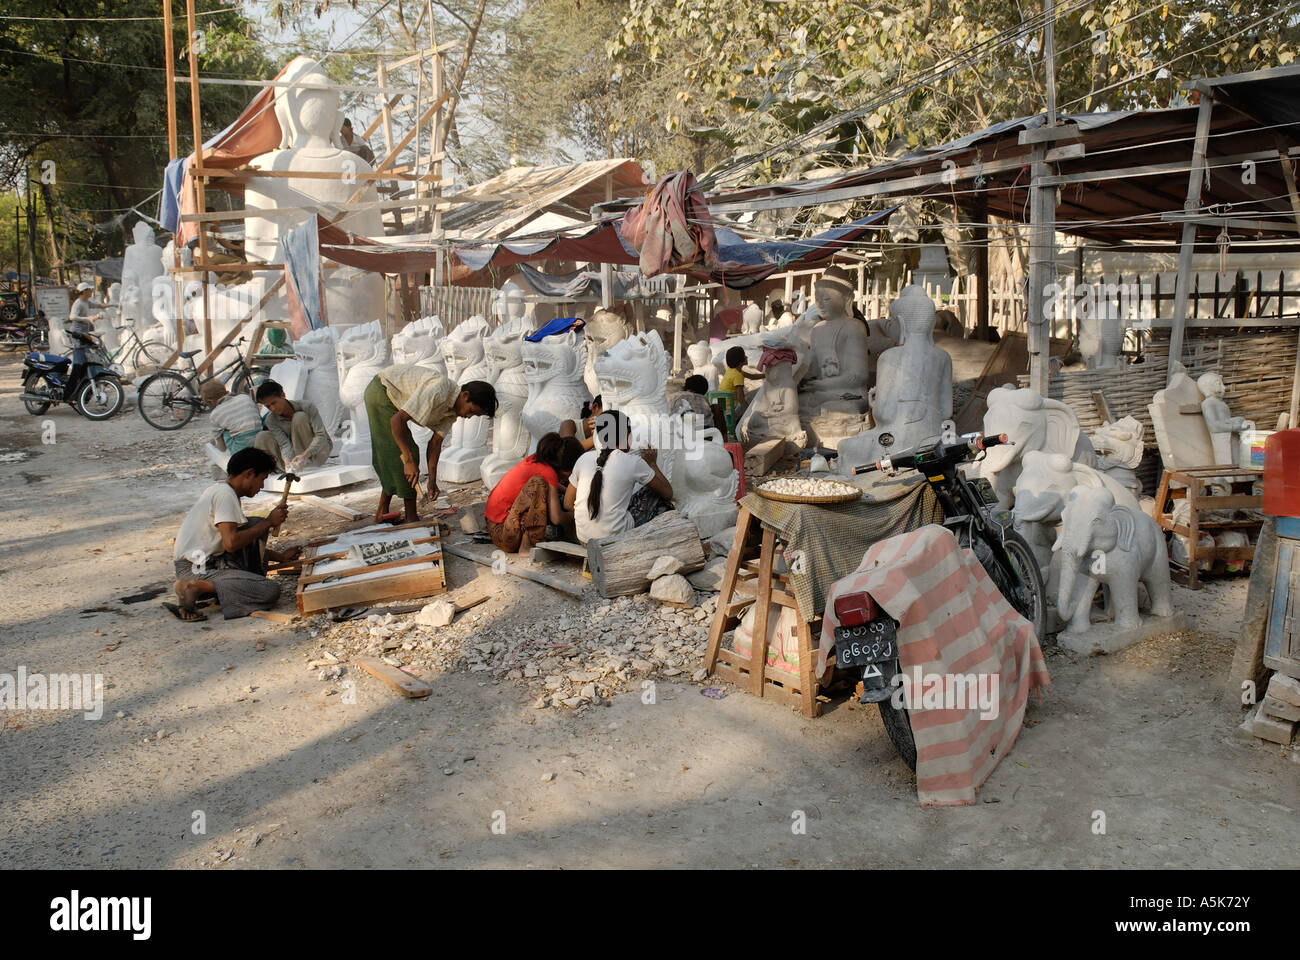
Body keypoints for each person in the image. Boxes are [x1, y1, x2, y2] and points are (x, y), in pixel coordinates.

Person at [167, 447, 299, 622]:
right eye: (262, 479)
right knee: (269, 590)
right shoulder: (225, 496)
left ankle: (209, 588)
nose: (261, 486)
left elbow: (237, 545)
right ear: (249, 474)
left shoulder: (219, 490)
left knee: (252, 524)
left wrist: (280, 557)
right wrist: (268, 523)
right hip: (196, 568)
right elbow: (231, 544)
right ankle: (194, 587)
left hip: (201, 561)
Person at [365, 363, 497, 523]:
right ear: (465, 395)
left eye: (474, 416)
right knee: (405, 453)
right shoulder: (440, 390)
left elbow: (434, 445)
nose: (469, 417)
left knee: (394, 453)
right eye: (471, 411)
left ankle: (382, 512)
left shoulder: (452, 412)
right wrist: (408, 459)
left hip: (391, 398)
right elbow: (397, 421)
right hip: (382, 390)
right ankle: (411, 517)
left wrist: (432, 482)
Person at [565, 410, 673, 544]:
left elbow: (568, 503)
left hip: (584, 540)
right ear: (627, 433)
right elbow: (668, 492)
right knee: (653, 493)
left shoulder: (583, 459)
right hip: (614, 539)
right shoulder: (634, 462)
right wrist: (652, 463)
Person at [484, 432, 585, 553]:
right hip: (505, 534)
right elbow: (557, 518)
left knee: (550, 494)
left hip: (496, 526)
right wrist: (577, 515)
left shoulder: (537, 460)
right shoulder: (548, 473)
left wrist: (568, 490)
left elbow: (553, 485)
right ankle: (528, 545)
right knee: (539, 484)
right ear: (566, 468)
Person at [255, 379, 332, 471]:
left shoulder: (307, 406)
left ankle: (305, 464)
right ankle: (289, 468)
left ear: (283, 395)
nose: (273, 408)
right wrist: (288, 462)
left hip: (318, 452)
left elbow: (321, 435)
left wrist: (305, 455)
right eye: (268, 406)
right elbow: (284, 444)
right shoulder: (271, 420)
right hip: (297, 457)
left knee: (299, 417)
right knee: (262, 436)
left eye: (274, 403)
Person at [202, 379, 275, 457]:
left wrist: (218, 442)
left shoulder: (215, 414)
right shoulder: (245, 397)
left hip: (242, 449)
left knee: (223, 431)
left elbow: (222, 449)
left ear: (210, 401)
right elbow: (257, 417)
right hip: (262, 440)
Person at [719, 346, 748, 411]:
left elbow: (753, 376)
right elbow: (741, 398)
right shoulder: (738, 375)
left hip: (722, 406)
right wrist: (749, 413)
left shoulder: (731, 370)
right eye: (744, 355)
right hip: (731, 408)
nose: (746, 357)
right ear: (740, 360)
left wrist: (765, 375)